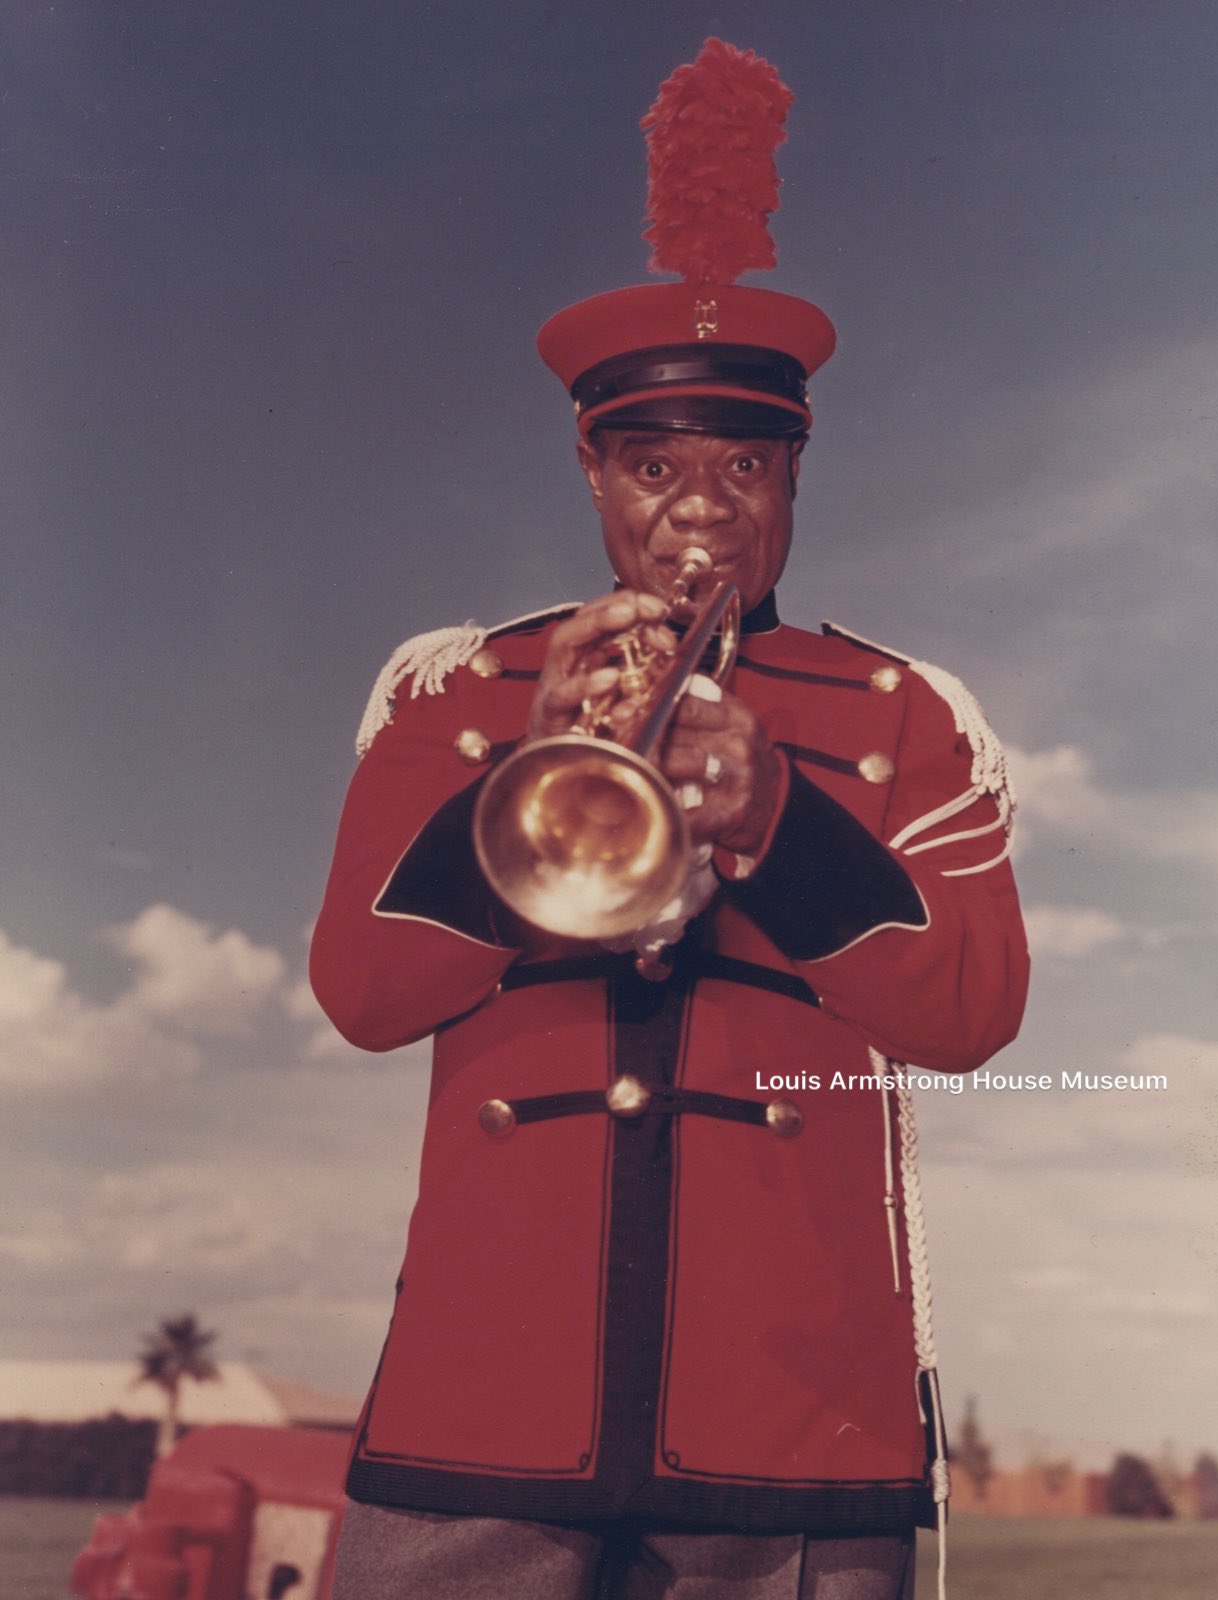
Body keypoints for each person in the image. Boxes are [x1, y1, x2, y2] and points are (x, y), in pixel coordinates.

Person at [312, 39, 1028, 1600]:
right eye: (653, 465)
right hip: (479, 1409)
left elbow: (974, 1013)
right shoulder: (457, 689)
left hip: (796, 1437)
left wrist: (780, 815)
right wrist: (534, 763)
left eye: (741, 466)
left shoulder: (913, 714)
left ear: (793, 476)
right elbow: (364, 995)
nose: (699, 511)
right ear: (592, 469)